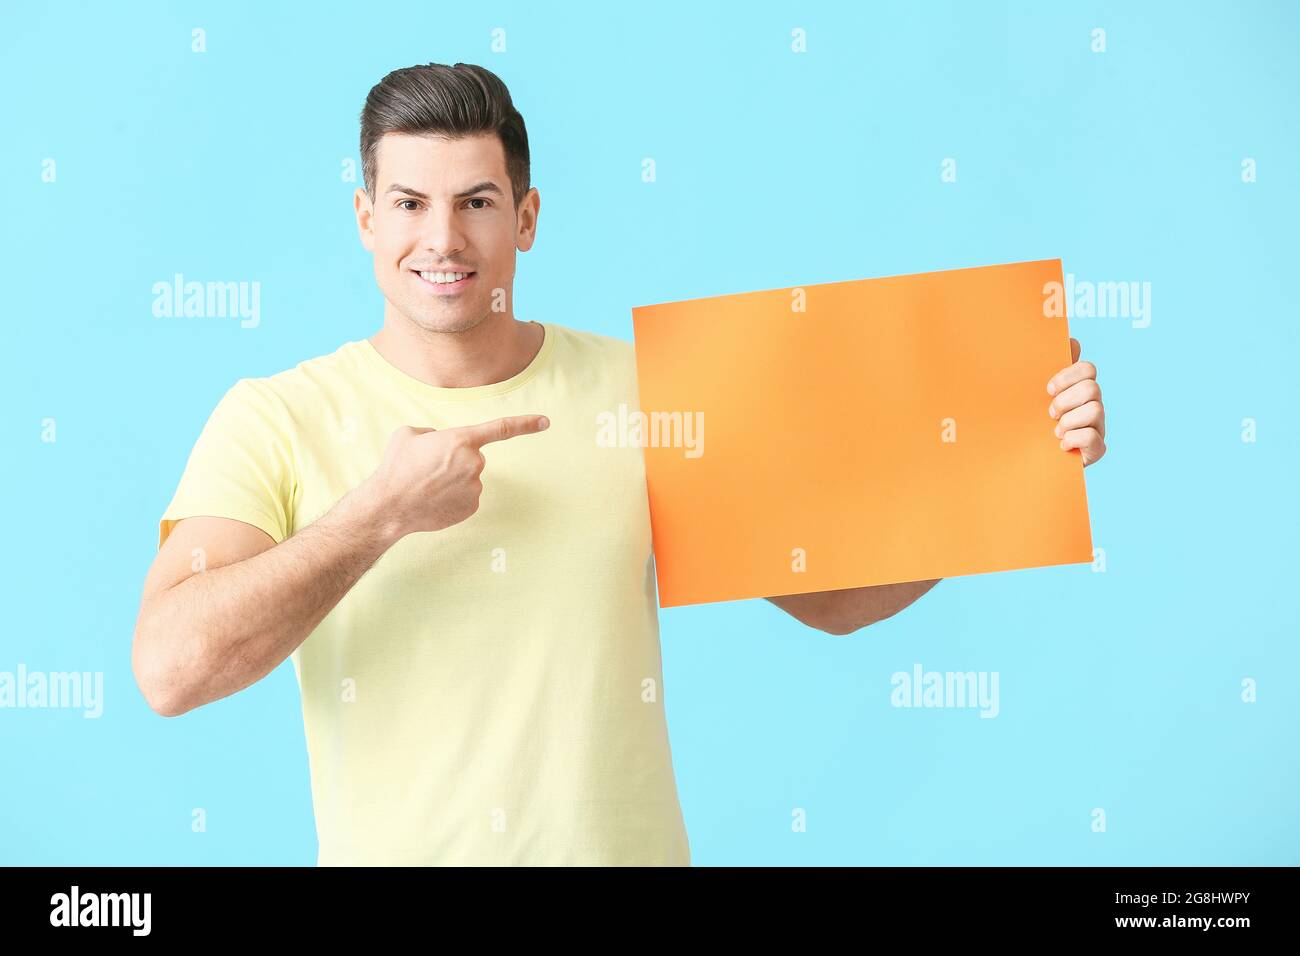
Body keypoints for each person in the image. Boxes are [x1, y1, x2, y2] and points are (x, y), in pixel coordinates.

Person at [132, 62, 1108, 866]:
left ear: (527, 216)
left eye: (476, 200)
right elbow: (171, 667)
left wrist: (1019, 458)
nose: (442, 237)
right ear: (364, 219)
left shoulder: (653, 392)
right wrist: (379, 514)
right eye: (409, 203)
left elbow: (833, 597)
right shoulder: (274, 415)